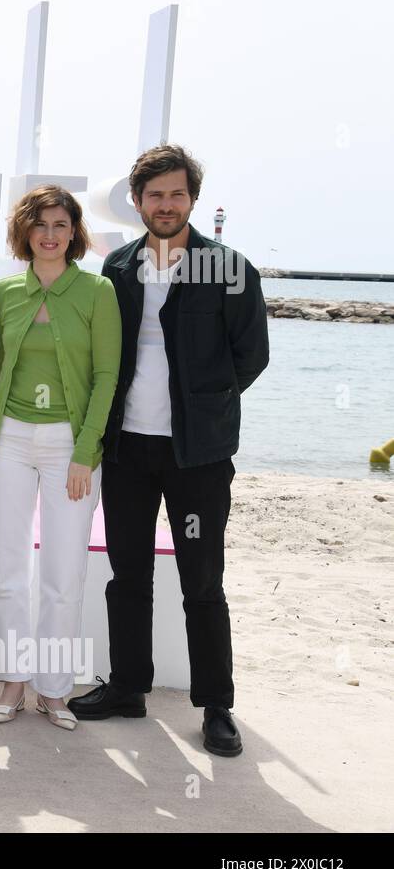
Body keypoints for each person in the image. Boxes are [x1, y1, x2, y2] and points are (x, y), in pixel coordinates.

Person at [67, 146, 269, 758]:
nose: (165, 204)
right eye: (153, 195)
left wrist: (203, 406)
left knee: (202, 581)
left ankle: (215, 706)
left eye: (176, 194)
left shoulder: (229, 268)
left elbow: (250, 356)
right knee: (127, 574)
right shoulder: (119, 269)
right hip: (127, 449)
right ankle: (128, 687)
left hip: (197, 457)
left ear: (192, 199)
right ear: (137, 202)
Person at [0, 185, 121, 731]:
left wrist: (86, 451)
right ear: (24, 231)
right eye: (40, 224)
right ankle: (13, 681)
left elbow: (107, 376)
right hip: (9, 441)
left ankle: (55, 690)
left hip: (71, 447)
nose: (50, 234)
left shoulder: (97, 291)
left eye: (60, 224)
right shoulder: (5, 292)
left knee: (64, 573)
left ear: (74, 231)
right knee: (7, 570)